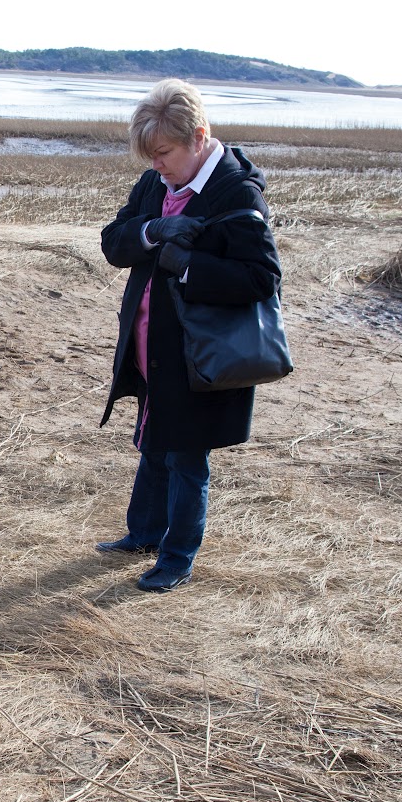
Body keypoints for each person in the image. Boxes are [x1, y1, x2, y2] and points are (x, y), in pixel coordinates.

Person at [96, 79, 282, 591]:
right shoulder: (154, 185)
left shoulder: (235, 193)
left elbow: (262, 278)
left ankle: (176, 559)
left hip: (198, 356)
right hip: (149, 346)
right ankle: (144, 535)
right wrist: (151, 232)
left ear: (198, 137)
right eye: (150, 156)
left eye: (163, 153)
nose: (156, 165)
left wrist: (187, 266)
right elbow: (113, 242)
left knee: (186, 456)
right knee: (155, 444)